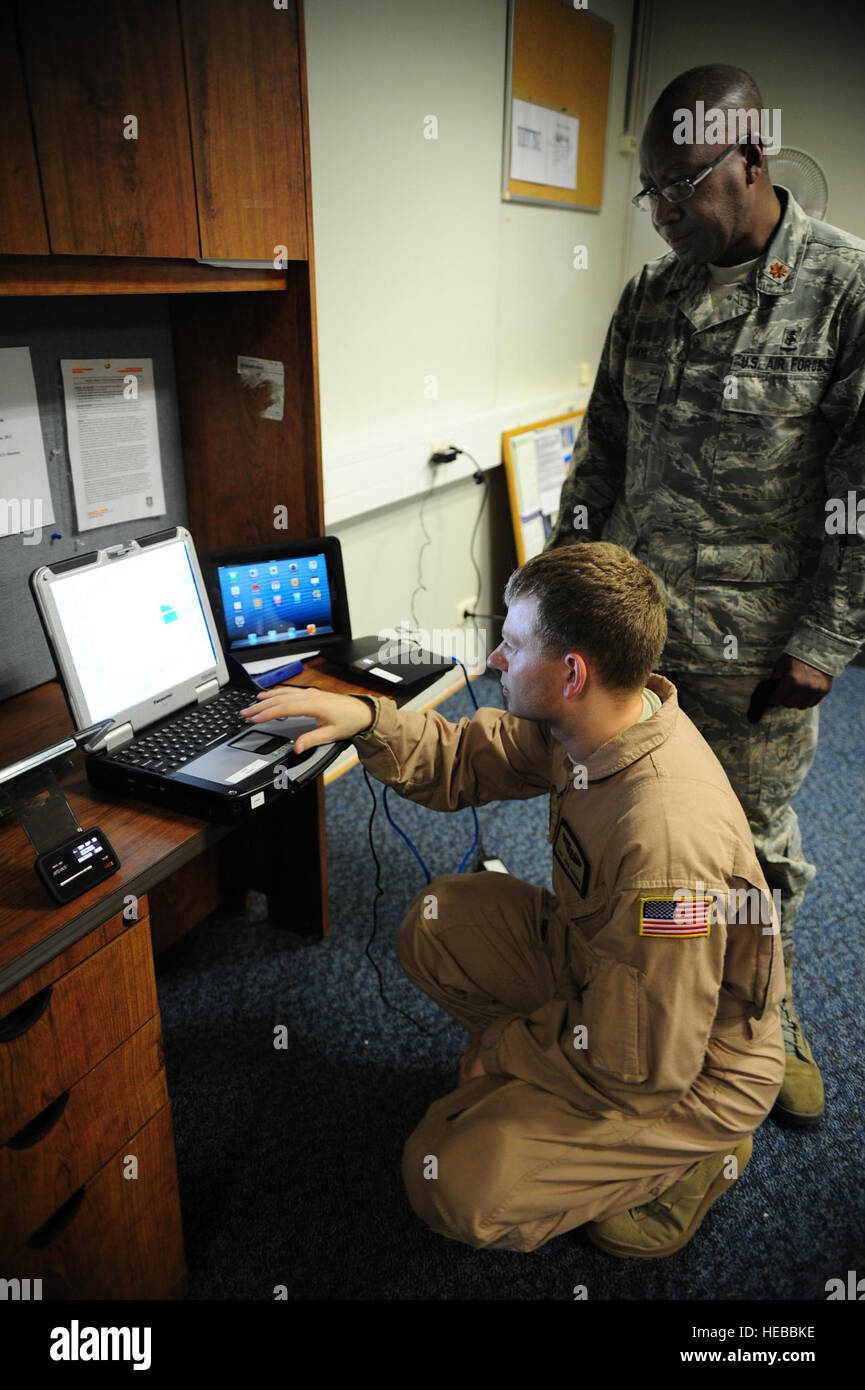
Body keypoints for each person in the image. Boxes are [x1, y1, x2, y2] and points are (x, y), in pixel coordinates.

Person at [241, 542, 785, 1257]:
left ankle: (691, 1156)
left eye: (511, 642)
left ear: (570, 672)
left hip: (686, 1070)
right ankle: (554, 1103)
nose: (494, 659)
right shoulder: (602, 718)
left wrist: (502, 1049)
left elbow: (646, 1065)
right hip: (613, 980)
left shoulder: (663, 847)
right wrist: (368, 720)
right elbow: (468, 757)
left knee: (451, 1185)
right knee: (440, 924)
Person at [547, 63, 865, 1130]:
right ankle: (650, 1001)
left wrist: (825, 637)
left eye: (682, 185)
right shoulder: (649, 297)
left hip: (758, 643)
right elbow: (601, 452)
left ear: (752, 158)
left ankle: (761, 1019)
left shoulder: (843, 289)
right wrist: (559, 591)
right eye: (651, 195)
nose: (667, 213)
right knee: (641, 828)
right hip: (640, 631)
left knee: (747, 843)